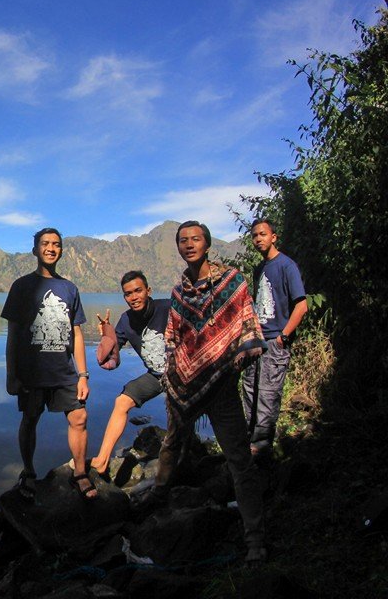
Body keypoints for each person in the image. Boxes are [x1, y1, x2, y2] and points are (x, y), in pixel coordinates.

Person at [151, 220, 269, 563]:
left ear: (207, 243)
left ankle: (255, 538)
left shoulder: (232, 282)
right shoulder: (178, 293)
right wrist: (175, 374)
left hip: (222, 385)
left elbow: (246, 323)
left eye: (195, 239)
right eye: (183, 240)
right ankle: (159, 495)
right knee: (171, 443)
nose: (189, 244)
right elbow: (173, 337)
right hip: (184, 386)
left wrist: (229, 360)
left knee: (239, 459)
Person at [1, 227, 97, 501]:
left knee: (79, 417)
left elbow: (77, 333)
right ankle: (28, 472)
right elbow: (14, 334)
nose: (51, 248)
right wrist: (12, 375)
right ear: (35, 250)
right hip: (31, 373)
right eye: (45, 244)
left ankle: (79, 473)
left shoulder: (69, 288)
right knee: (30, 420)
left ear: (61, 250)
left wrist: (83, 375)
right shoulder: (22, 286)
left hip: (64, 372)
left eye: (56, 244)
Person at [91, 270, 170, 478]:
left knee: (182, 419)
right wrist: (107, 334)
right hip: (156, 375)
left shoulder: (167, 308)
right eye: (128, 294)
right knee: (122, 401)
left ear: (148, 290)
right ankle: (102, 460)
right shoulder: (125, 320)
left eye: (138, 291)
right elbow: (112, 360)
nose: (133, 297)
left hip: (181, 373)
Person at [241, 218, 307, 461]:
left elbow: (301, 305)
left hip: (275, 343)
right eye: (255, 236)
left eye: (263, 234)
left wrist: (282, 337)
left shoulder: (286, 266)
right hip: (257, 342)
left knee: (268, 395)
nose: (258, 239)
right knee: (250, 392)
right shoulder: (260, 269)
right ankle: (248, 443)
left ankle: (261, 449)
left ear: (273, 237)